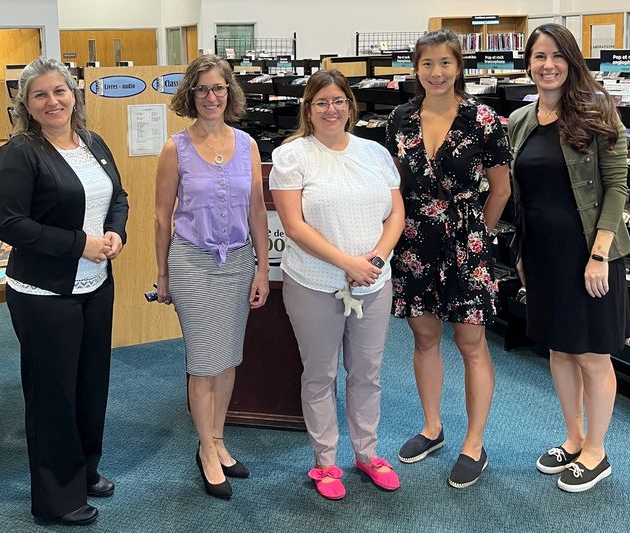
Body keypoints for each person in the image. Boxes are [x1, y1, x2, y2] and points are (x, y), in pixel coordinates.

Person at [0, 57, 129, 526]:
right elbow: (9, 224)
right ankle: (56, 498)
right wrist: (79, 245)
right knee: (52, 395)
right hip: (43, 292)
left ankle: (85, 471)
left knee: (91, 386)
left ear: (75, 95)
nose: (53, 101)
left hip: (96, 285)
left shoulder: (93, 143)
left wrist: (115, 234)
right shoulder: (21, 152)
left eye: (60, 91)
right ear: (26, 105)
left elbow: (118, 197)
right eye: (40, 95)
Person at [384, 30, 511, 488]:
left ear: (459, 66)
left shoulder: (484, 120)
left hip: (467, 241)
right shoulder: (399, 119)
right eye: (427, 64)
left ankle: (474, 443)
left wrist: (479, 234)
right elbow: (394, 186)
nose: (436, 73)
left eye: (445, 63)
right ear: (415, 69)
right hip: (416, 239)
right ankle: (432, 428)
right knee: (423, 337)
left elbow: (501, 189)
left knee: (471, 342)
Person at [508, 23, 630, 493]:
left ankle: (597, 452)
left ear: (572, 60)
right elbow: (522, 194)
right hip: (543, 256)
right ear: (529, 64)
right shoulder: (522, 120)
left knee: (593, 355)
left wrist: (599, 253)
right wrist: (520, 253)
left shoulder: (596, 109)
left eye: (557, 55)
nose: (548, 65)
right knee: (560, 350)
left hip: (589, 255)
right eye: (539, 56)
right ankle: (574, 437)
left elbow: (617, 185)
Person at [270, 69, 405, 500]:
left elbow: (395, 214)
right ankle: (325, 462)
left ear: (351, 105)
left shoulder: (375, 153)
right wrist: (347, 261)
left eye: (339, 101)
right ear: (308, 108)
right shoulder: (293, 156)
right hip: (313, 281)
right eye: (321, 102)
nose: (331, 110)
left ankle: (366, 453)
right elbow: (293, 225)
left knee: (367, 373)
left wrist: (376, 259)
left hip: (374, 282)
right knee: (320, 374)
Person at [154, 54, 270, 500]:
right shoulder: (175, 148)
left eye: (218, 88)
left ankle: (219, 438)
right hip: (191, 263)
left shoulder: (247, 145)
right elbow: (162, 216)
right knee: (203, 362)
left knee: (227, 358)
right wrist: (162, 273)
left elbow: (257, 210)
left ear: (230, 93)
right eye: (201, 89)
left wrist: (262, 268)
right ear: (190, 94)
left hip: (239, 263)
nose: (211, 97)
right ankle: (205, 449)